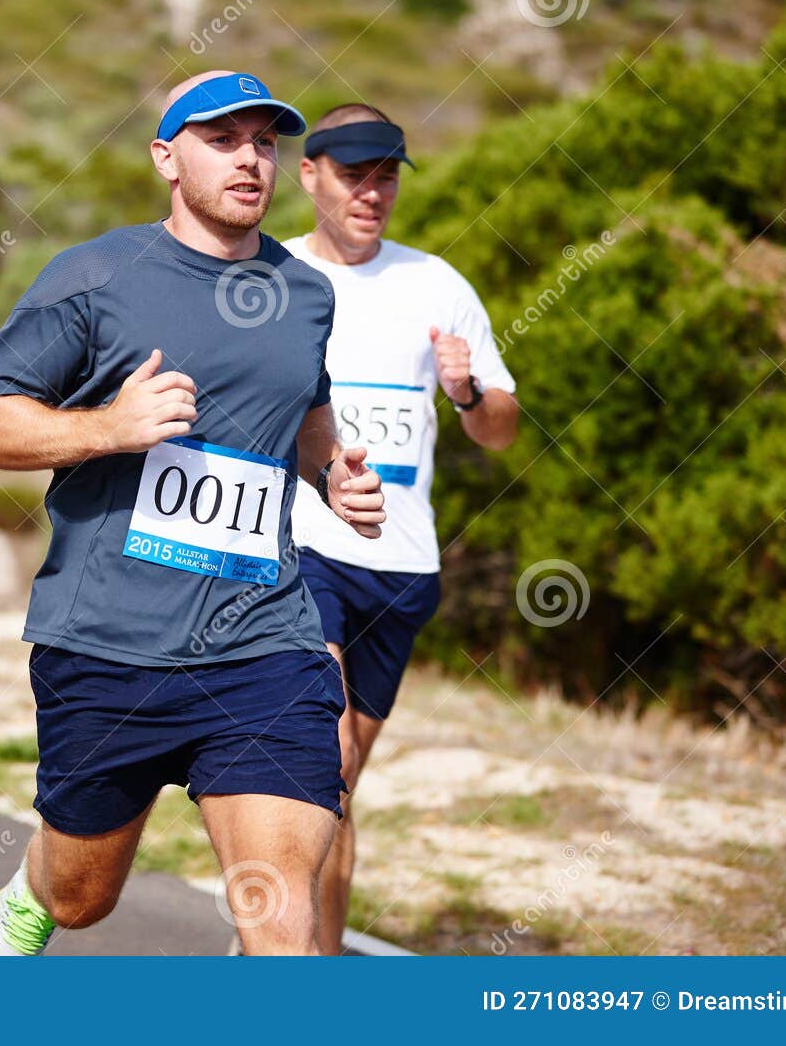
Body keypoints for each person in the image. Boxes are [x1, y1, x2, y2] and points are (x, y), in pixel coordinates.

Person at [0, 71, 386, 956]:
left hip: (264, 642)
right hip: (109, 643)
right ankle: (29, 894)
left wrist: (330, 476)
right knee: (82, 899)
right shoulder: (98, 277)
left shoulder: (305, 294)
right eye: (222, 139)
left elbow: (304, 411)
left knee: (280, 916)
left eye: (265, 142)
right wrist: (109, 426)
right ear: (166, 156)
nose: (250, 159)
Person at [285, 104, 519, 954]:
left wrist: (464, 392)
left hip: (402, 566)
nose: (373, 191)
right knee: (326, 755)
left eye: (387, 174)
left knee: (337, 786)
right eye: (354, 174)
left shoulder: (437, 283)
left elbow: (500, 427)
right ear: (309, 175)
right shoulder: (271, 274)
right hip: (301, 549)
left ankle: (287, 936)